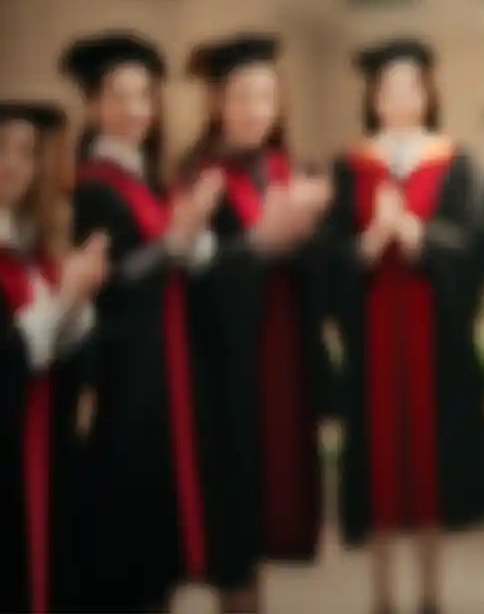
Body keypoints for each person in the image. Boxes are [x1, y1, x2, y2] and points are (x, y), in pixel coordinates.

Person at [323, 38, 484, 614]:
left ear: (428, 95)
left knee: (430, 464)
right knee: (376, 463)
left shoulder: (454, 163)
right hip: (372, 340)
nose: (401, 96)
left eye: (412, 86)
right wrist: (372, 243)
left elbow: (475, 245)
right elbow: (328, 259)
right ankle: (382, 596)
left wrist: (421, 239)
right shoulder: (351, 168)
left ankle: (428, 595)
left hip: (433, 340)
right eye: (389, 86)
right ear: (373, 96)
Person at [61, 33, 221, 611]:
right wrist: (176, 242)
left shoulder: (147, 181)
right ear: (93, 106)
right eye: (120, 97)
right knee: (127, 544)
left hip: (162, 377)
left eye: (145, 97)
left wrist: (191, 238)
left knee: (158, 545)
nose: (135, 111)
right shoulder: (89, 190)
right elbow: (109, 283)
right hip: (121, 385)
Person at [184, 34, 331, 613]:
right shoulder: (200, 178)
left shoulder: (283, 170)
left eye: (265, 97)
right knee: (234, 517)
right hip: (225, 371)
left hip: (281, 364)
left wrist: (311, 232)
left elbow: (312, 279)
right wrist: (258, 244)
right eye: (242, 96)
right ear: (218, 103)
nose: (254, 110)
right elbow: (195, 281)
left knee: (272, 506)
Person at [0, 102, 101, 614]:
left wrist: (75, 305)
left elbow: (46, 360)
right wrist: (61, 303)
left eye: (25, 152)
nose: (12, 165)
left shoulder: (30, 252)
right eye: (1, 150)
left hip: (38, 450)